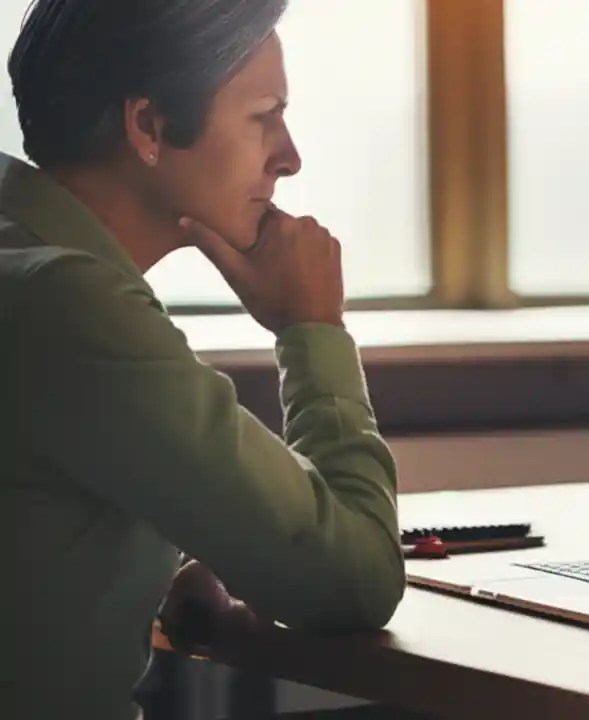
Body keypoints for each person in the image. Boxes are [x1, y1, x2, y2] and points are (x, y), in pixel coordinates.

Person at [1, 1, 406, 717]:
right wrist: (311, 327)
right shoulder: (70, 306)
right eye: (264, 116)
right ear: (149, 126)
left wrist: (144, 576)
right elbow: (354, 583)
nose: (289, 156)